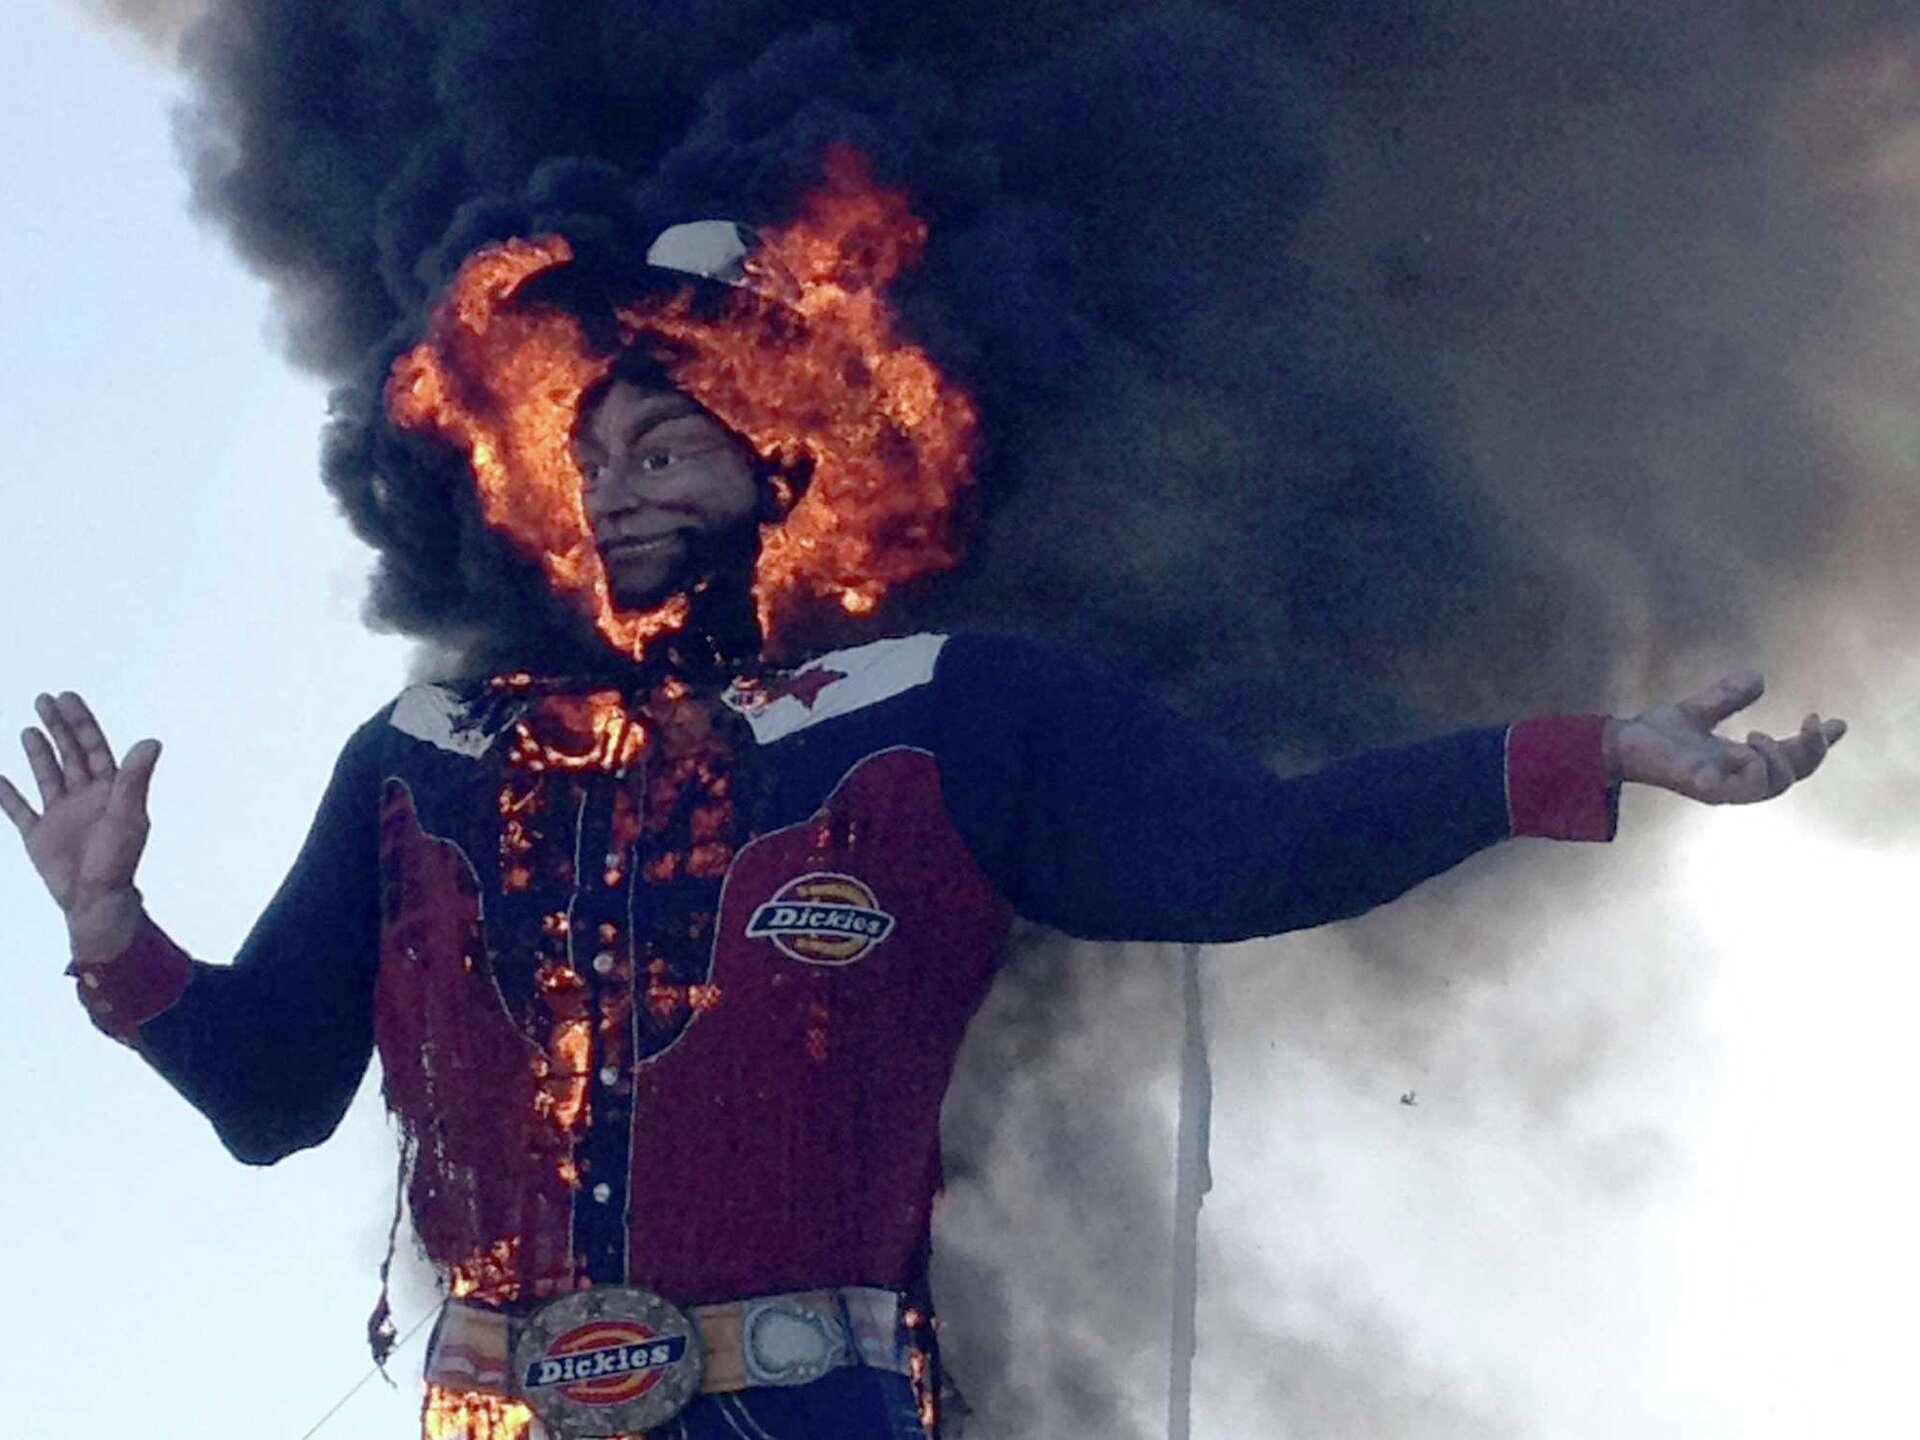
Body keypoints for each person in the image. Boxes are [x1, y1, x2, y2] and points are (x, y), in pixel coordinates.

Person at [2, 359, 1847, 1440]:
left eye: (666, 448)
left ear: (783, 468)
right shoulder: (427, 749)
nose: (616, 491)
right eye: (594, 461)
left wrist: (1575, 755)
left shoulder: (945, 709)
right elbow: (271, 1095)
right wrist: (111, 936)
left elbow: (1250, 853)